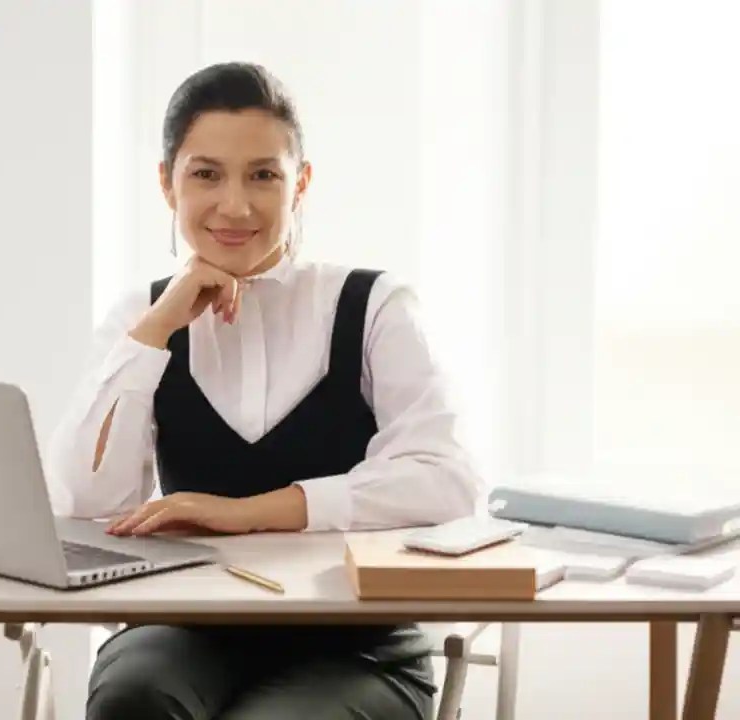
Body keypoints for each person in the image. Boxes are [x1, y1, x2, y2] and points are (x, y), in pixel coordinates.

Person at [44, 61, 482, 720]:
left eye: (264, 175)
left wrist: (252, 511)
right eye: (206, 174)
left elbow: (447, 479)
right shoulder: (142, 317)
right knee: (130, 698)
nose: (235, 206)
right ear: (167, 184)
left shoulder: (372, 306)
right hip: (188, 626)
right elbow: (83, 499)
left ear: (299, 183)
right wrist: (157, 330)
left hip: (357, 643)